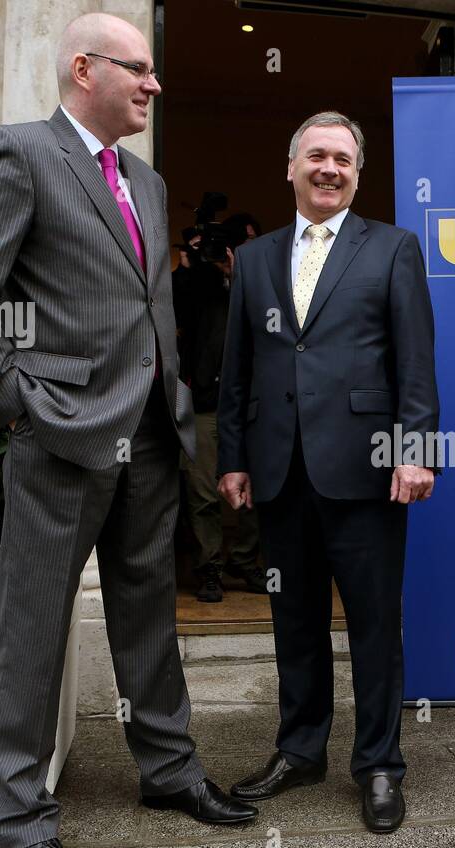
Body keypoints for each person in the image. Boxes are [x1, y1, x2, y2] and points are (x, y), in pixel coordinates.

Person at [0, 12, 256, 848]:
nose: (154, 85)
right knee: (32, 630)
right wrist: (18, 407)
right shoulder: (20, 153)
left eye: (154, 73)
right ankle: (24, 822)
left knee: (151, 609)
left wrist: (172, 400)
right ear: (84, 69)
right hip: (59, 437)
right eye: (138, 70)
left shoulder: (146, 183)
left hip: (150, 435)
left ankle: (170, 769)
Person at [216, 111, 440, 834]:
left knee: (375, 623)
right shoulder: (254, 261)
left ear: (357, 172)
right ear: (291, 167)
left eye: (343, 159)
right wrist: (233, 457)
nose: (330, 168)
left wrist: (416, 448)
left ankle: (378, 765)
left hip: (368, 470)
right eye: (317, 155)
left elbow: (415, 362)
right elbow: (237, 371)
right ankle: (300, 749)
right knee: (295, 621)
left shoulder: (394, 248)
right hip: (281, 471)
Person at [173, 219, 266, 602]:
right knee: (203, 493)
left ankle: (245, 560)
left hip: (256, 408)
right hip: (204, 404)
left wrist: (239, 276)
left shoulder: (265, 281)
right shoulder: (195, 287)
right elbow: (168, 311)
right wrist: (187, 270)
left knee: (260, 491)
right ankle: (209, 567)